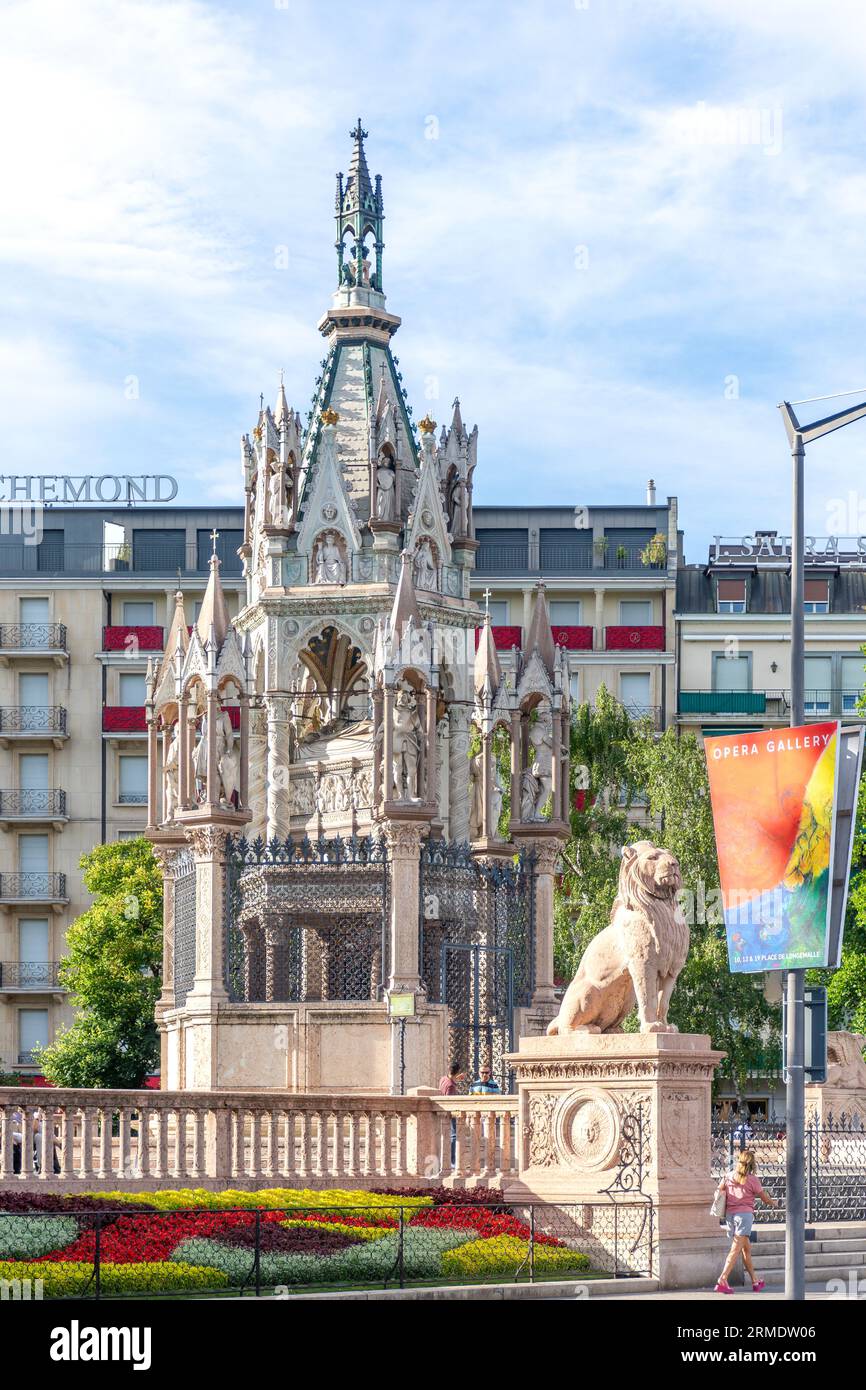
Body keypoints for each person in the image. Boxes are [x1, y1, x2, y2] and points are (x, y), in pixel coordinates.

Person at [714, 1147, 777, 1294]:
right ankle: (722, 1279)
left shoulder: (728, 1176)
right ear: (752, 1164)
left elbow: (718, 1191)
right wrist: (774, 1203)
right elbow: (764, 1198)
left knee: (746, 1249)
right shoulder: (753, 1179)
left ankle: (755, 1281)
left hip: (730, 1216)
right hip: (744, 1217)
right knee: (736, 1249)